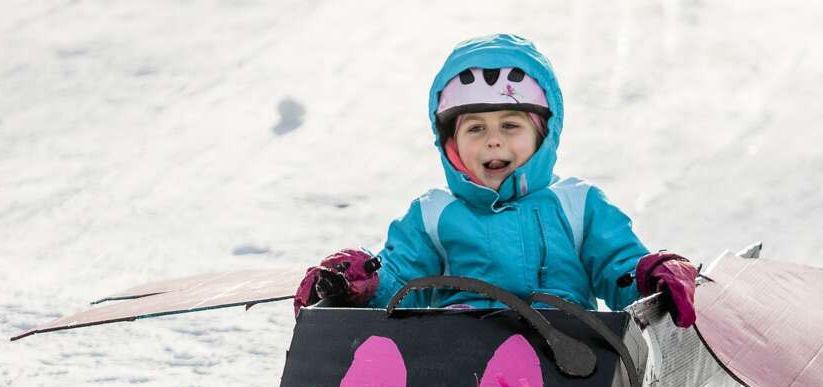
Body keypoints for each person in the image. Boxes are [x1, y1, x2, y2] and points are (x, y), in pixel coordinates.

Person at [294, 33, 699, 327]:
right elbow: (401, 279)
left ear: (543, 135)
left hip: (566, 352)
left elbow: (619, 266)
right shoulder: (433, 214)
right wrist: (358, 282)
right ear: (450, 143)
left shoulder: (579, 206)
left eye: (510, 125)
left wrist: (650, 274)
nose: (492, 140)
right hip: (458, 351)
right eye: (475, 129)